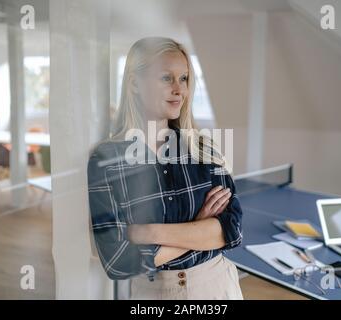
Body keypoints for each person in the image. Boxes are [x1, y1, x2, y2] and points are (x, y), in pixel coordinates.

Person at [87, 37, 243, 299]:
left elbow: (232, 231)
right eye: (166, 78)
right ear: (135, 83)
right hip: (153, 294)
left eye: (183, 79)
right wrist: (199, 227)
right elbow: (118, 261)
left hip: (216, 287)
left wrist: (146, 232)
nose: (179, 89)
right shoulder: (106, 160)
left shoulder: (204, 149)